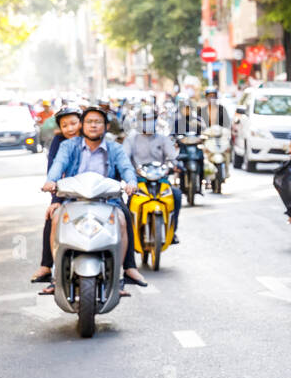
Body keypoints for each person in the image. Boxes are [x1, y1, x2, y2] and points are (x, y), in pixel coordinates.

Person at [41, 106, 147, 292]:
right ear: (82, 125)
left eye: (98, 122)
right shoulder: (68, 146)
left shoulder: (115, 148)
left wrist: (131, 182)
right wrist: (51, 180)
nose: (93, 125)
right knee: (56, 218)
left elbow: (126, 168)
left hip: (107, 201)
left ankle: (118, 277)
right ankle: (56, 276)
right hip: (73, 201)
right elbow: (58, 165)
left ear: (106, 126)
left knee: (123, 220)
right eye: (89, 121)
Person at [31, 105, 84, 284]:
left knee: (123, 214)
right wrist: (55, 200)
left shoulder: (94, 138)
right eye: (65, 125)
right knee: (51, 217)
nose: (70, 129)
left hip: (98, 193)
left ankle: (127, 269)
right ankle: (47, 266)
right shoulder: (58, 142)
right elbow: (54, 172)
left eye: (74, 123)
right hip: (67, 193)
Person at [126, 106, 184, 243]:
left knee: (176, 195)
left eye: (152, 119)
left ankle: (172, 231)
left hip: (161, 179)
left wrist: (176, 164)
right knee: (128, 201)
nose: (148, 122)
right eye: (145, 119)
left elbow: (172, 156)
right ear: (139, 121)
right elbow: (124, 158)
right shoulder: (131, 139)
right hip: (139, 180)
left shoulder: (163, 139)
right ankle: (129, 234)